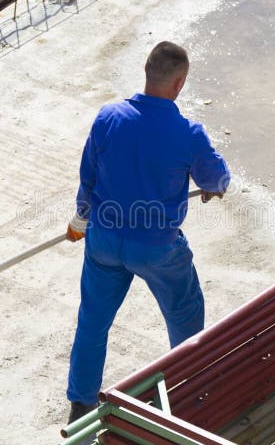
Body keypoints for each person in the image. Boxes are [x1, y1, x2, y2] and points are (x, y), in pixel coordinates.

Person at [64, 41, 230, 423]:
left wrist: (81, 219)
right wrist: (212, 184)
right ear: (180, 83)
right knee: (186, 316)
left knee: (93, 320)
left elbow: (87, 175)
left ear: (146, 71)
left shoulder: (109, 116)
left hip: (104, 239)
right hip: (157, 246)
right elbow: (217, 177)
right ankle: (188, 397)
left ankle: (80, 402)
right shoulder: (187, 132)